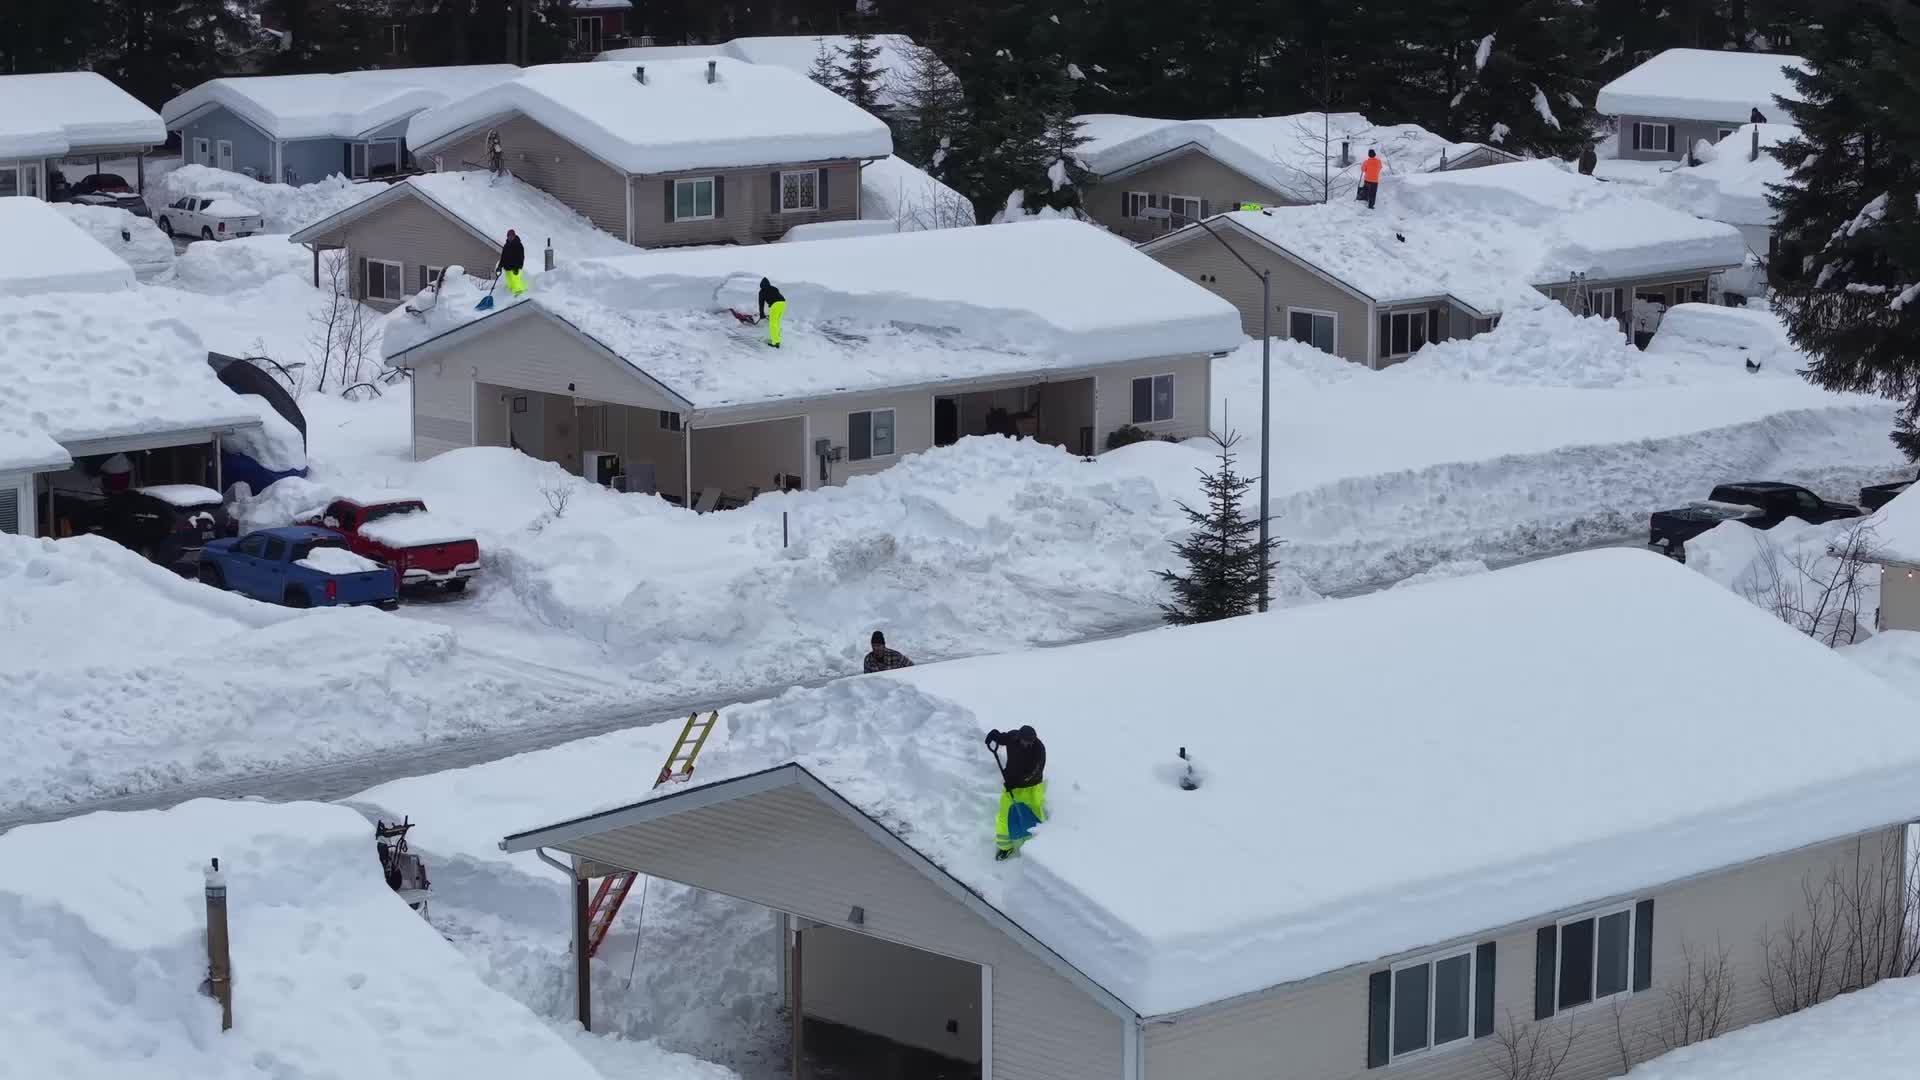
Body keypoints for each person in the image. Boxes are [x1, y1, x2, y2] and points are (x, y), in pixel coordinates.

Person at [986, 726, 1046, 860]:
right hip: (1011, 786)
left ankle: (1038, 850)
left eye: (1030, 742)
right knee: (1004, 815)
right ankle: (1005, 847)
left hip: (1031, 788)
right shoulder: (1013, 737)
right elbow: (1003, 738)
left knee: (1033, 817)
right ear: (1019, 738)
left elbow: (1035, 772)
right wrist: (995, 735)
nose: (1027, 745)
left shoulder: (1039, 750)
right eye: (1025, 742)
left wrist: (1017, 781)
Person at [758, 277, 786, 348]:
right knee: (776, 322)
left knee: (772, 324)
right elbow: (776, 297)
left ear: (761, 285)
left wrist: (762, 314)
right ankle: (777, 339)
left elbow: (761, 304)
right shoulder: (774, 288)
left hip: (775, 306)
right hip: (782, 304)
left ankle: (775, 342)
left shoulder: (761, 292)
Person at [498, 229, 526, 298]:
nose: (510, 237)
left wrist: (518, 267)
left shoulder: (518, 244)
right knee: (510, 284)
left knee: (516, 283)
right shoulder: (506, 245)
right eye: (509, 236)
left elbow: (521, 257)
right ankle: (510, 297)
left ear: (514, 236)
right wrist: (499, 266)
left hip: (515, 269)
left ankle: (519, 296)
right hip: (507, 268)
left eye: (511, 236)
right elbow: (503, 257)